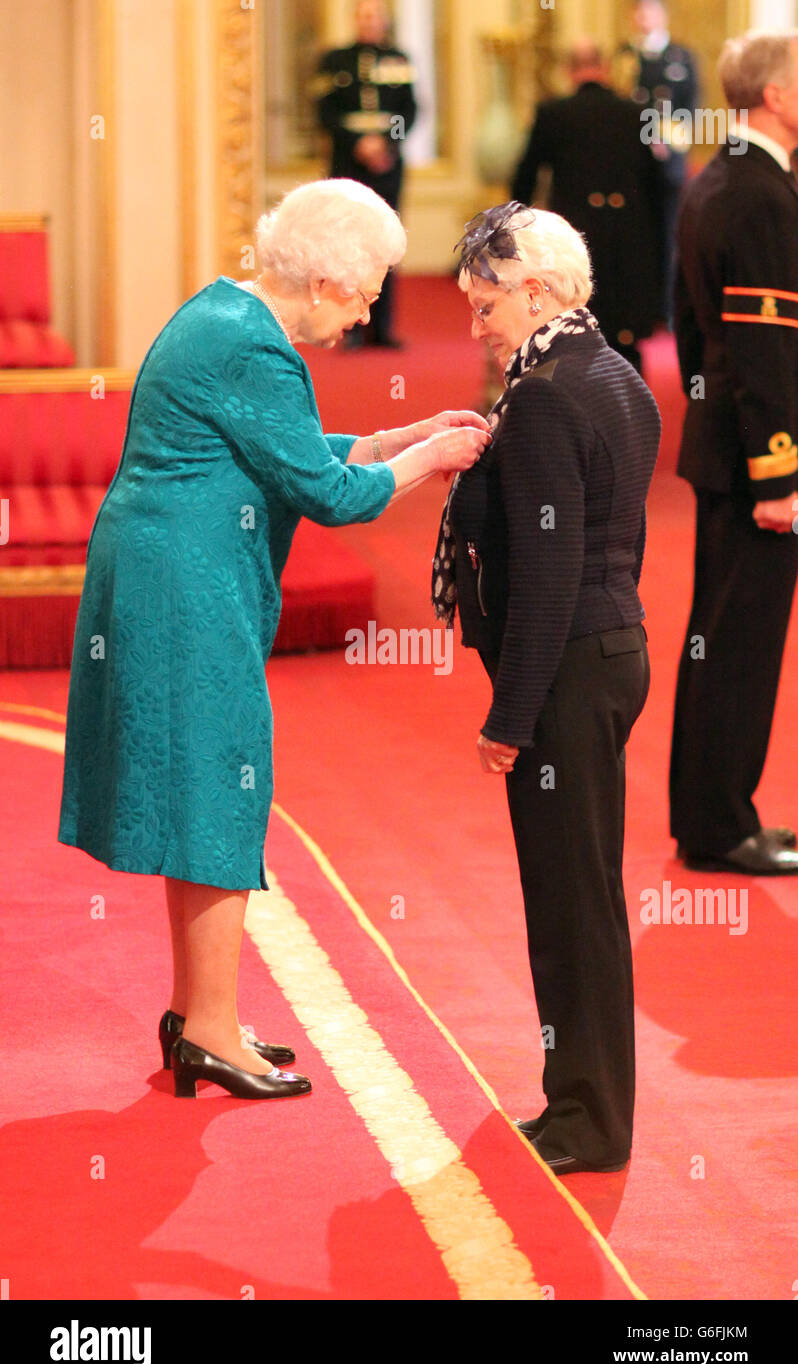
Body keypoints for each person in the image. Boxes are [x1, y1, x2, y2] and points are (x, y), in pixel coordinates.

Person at [58, 179, 491, 1101]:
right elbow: (330, 497)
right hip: (183, 587)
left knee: (199, 791)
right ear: (328, 277)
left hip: (169, 572)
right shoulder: (254, 346)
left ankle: (197, 1016)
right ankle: (210, 1031)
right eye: (370, 286)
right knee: (219, 788)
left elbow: (285, 450)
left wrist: (396, 435)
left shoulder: (224, 315)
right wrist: (433, 459)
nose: (373, 306)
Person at [433, 204, 660, 1174]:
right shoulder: (613, 373)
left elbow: (549, 574)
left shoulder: (541, 399)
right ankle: (583, 1103)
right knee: (584, 898)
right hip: (615, 652)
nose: (476, 325)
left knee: (571, 908)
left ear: (535, 291)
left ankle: (588, 1120)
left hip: (569, 669)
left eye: (485, 305)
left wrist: (509, 717)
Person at [669, 31, 798, 874]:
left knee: (720, 637)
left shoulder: (721, 179)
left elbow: (690, 336)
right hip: (758, 462)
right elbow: (763, 349)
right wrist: (778, 471)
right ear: (777, 96)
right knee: (739, 644)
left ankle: (716, 813)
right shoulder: (760, 195)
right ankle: (720, 827)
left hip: (724, 444)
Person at [511, 38, 665, 373]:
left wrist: (519, 234)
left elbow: (526, 175)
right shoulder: (636, 114)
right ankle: (631, 405)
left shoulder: (553, 112)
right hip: (627, 234)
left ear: (569, 71)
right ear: (605, 68)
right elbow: (656, 183)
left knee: (575, 323)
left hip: (573, 235)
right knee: (624, 335)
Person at [314, 0, 416, 348]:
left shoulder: (399, 60)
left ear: (384, 21)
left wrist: (387, 145)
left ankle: (381, 328)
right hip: (348, 165)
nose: (369, 22)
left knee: (385, 245)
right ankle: (350, 327)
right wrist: (358, 144)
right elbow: (325, 113)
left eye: (375, 16)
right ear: (355, 20)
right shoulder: (334, 61)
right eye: (363, 15)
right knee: (348, 246)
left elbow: (409, 111)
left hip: (387, 168)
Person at [613, 0, 700, 317]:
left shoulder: (681, 56)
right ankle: (639, 306)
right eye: (640, 11)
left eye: (651, 10)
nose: (645, 17)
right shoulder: (626, 55)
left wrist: (667, 141)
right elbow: (622, 104)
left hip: (668, 160)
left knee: (668, 233)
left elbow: (690, 108)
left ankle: (668, 308)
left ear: (663, 15)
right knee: (636, 232)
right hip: (633, 157)